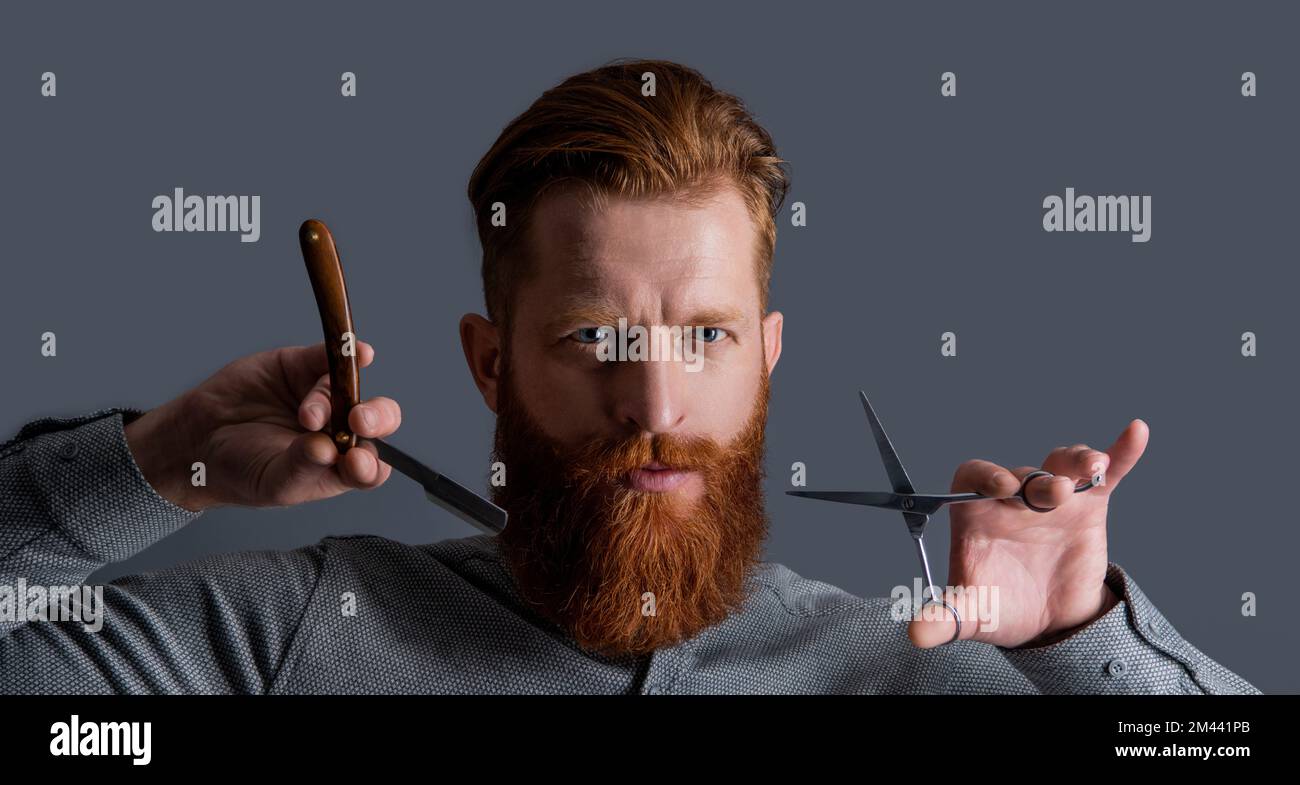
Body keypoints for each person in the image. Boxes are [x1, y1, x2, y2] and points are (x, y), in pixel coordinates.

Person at [0, 59, 1259, 694]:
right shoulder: (290, 636)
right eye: (598, 337)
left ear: (766, 360)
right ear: (489, 366)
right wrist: (157, 463)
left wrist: (1085, 644)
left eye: (705, 337)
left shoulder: (908, 666)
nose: (654, 409)